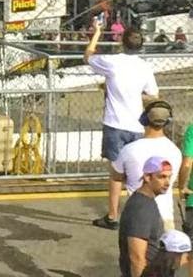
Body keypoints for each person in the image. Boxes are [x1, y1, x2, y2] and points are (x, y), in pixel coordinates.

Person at [85, 20, 159, 230]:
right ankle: (138, 215)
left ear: (121, 42)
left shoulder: (112, 61)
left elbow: (88, 56)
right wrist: (135, 96)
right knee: (137, 174)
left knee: (116, 174)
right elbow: (153, 95)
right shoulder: (144, 66)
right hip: (136, 125)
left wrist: (97, 33)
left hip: (115, 124)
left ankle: (113, 216)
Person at [110, 100, 181, 229]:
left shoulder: (128, 150)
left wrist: (113, 213)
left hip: (137, 216)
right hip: (165, 217)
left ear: (144, 119)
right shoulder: (175, 151)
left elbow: (116, 179)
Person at [118, 157, 173, 277]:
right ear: (147, 177)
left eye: (169, 177)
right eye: (162, 177)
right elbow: (137, 258)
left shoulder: (147, 201)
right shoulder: (141, 208)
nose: (168, 183)